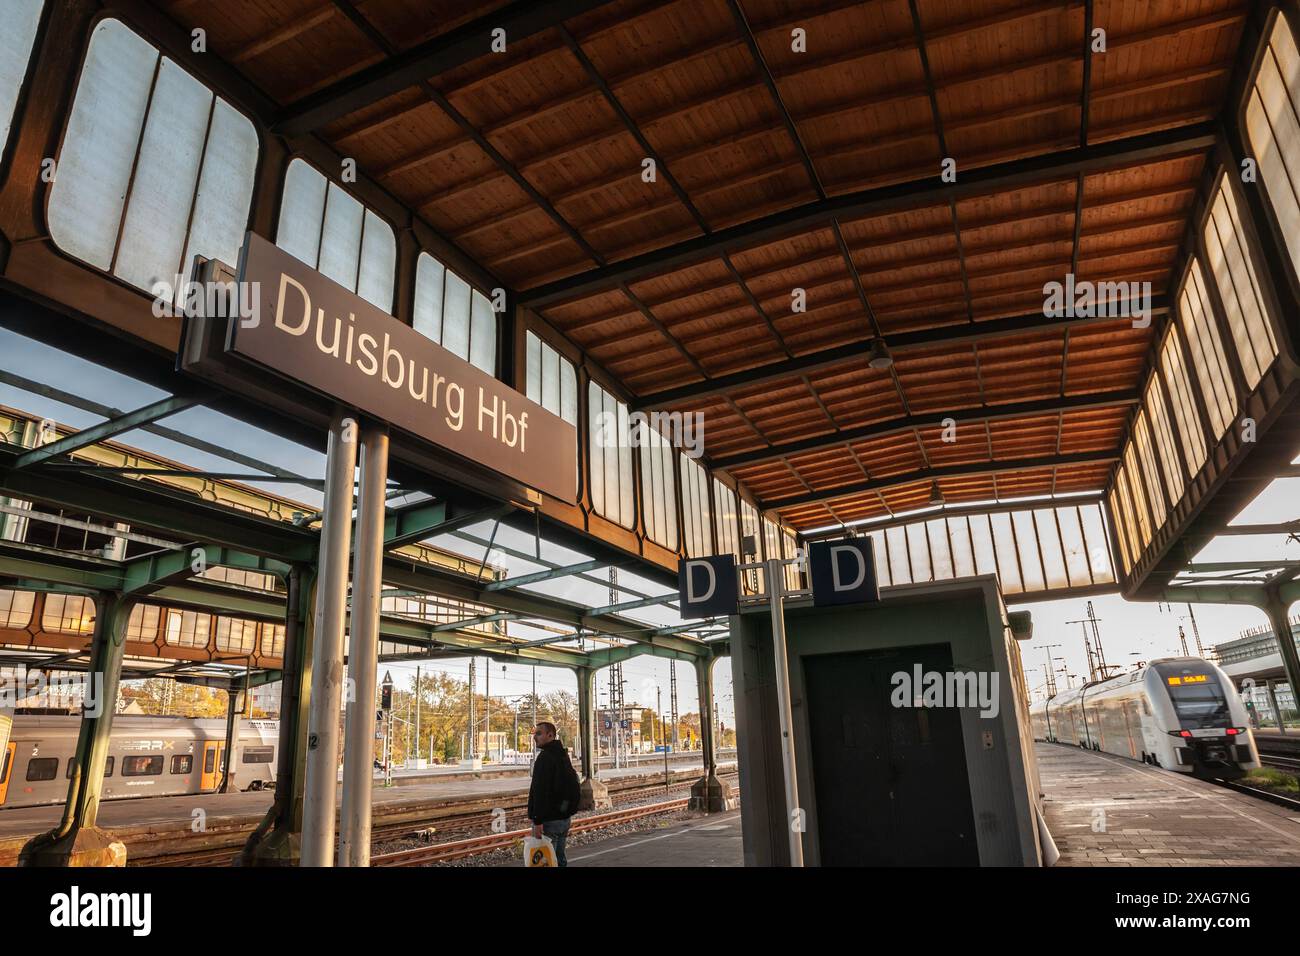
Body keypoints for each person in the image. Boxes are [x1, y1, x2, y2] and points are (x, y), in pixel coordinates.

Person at [526, 721, 581, 867]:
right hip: (563, 819)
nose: (535, 738)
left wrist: (537, 821)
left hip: (549, 821)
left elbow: (540, 791)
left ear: (550, 735)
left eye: (539, 733)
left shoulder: (545, 758)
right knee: (559, 859)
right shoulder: (563, 755)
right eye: (534, 734)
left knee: (547, 862)